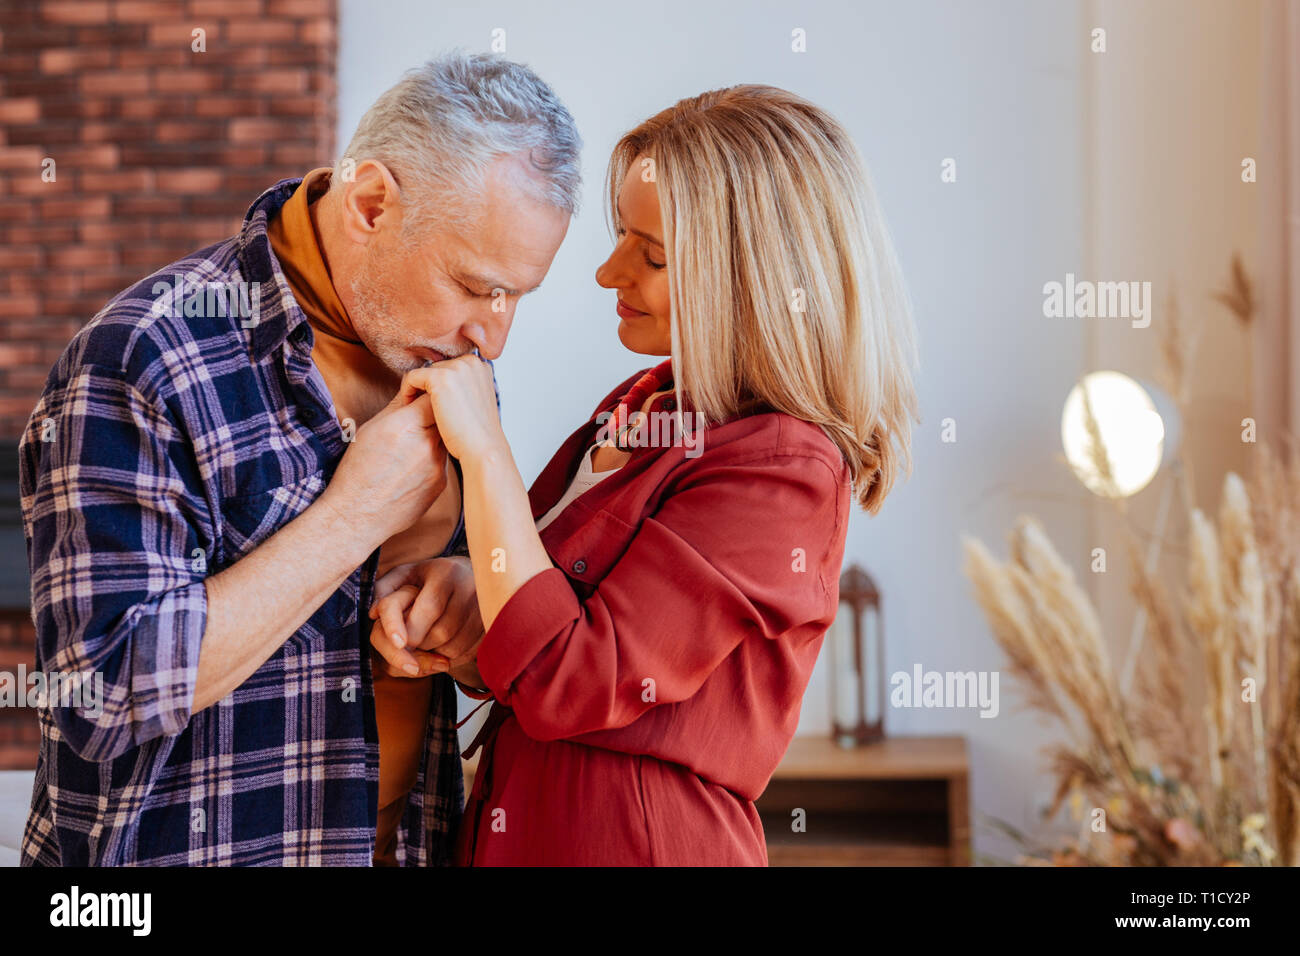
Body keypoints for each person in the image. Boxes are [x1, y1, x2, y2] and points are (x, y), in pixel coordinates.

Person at [19, 52, 579, 866]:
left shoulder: (442, 350)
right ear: (372, 203)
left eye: (516, 296)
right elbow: (101, 694)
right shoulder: (145, 357)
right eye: (473, 284)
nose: (493, 337)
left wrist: (465, 608)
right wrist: (354, 517)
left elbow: (464, 619)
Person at [372, 84, 920, 865]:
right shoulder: (639, 408)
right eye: (621, 235)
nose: (606, 271)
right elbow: (542, 633)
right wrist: (465, 607)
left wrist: (484, 449)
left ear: (752, 279)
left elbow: (567, 679)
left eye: (651, 254)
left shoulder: (782, 470)